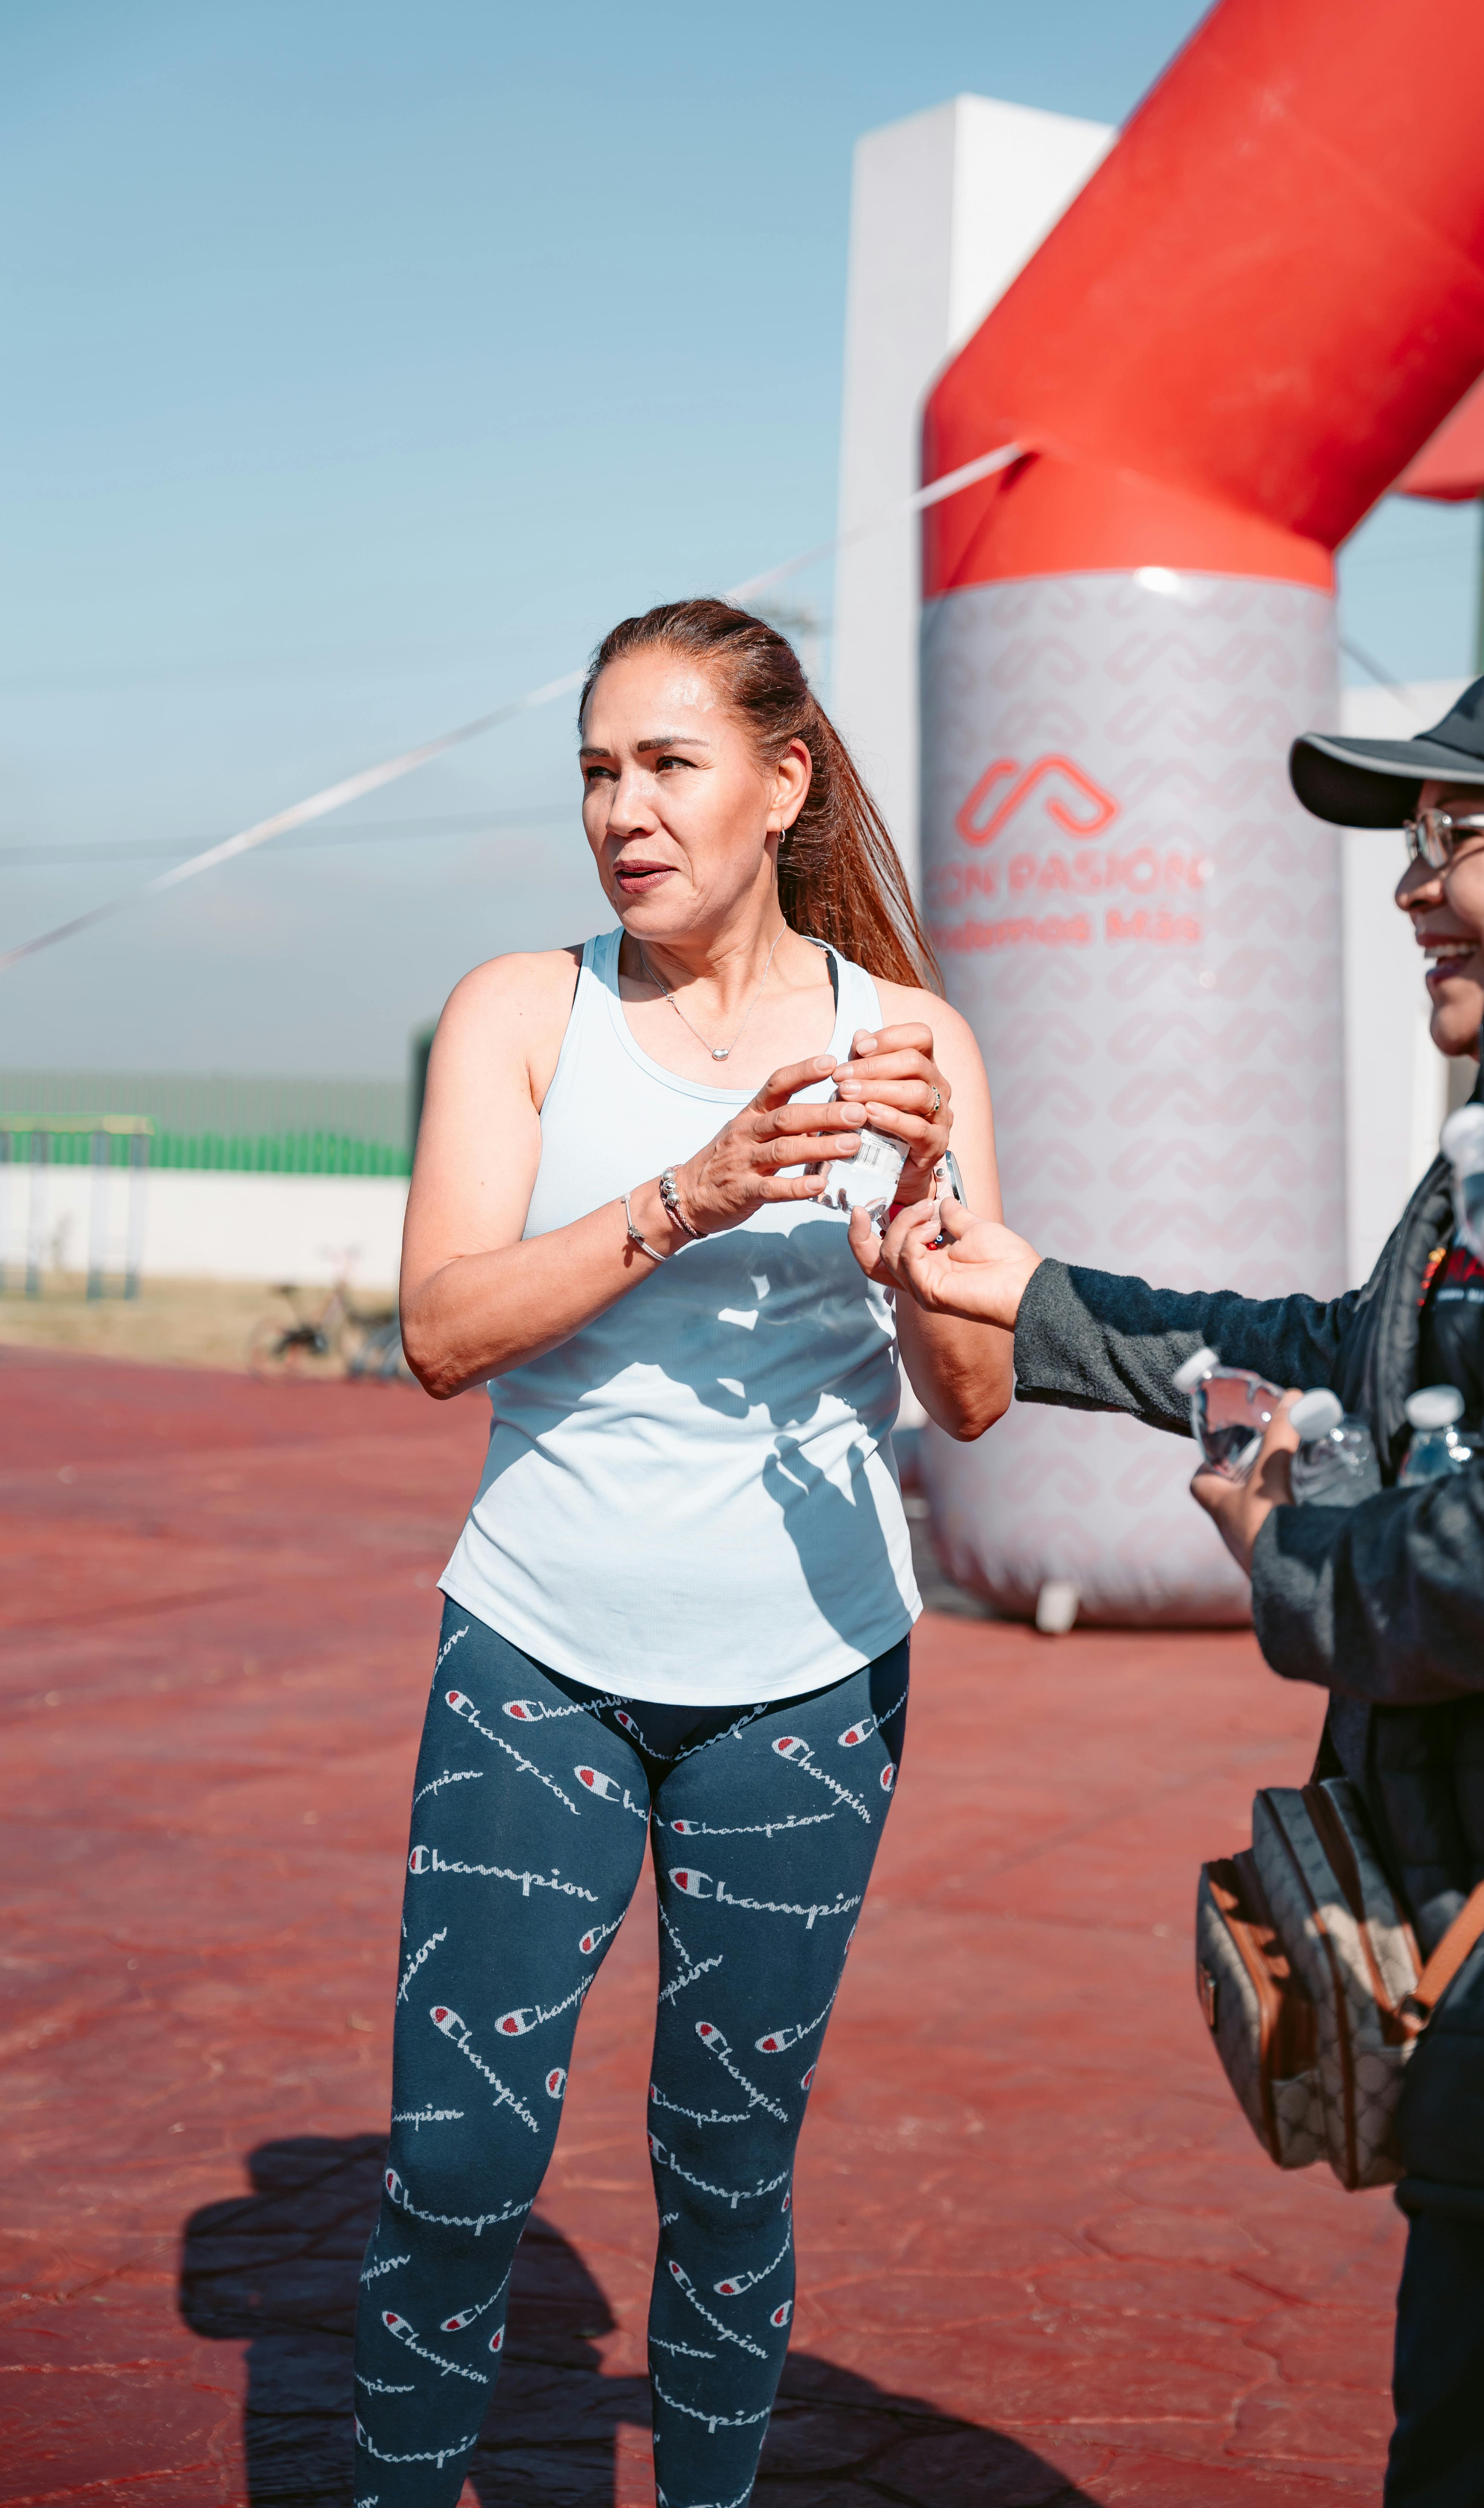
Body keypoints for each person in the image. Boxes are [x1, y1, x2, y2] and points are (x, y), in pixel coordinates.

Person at [860, 631, 1484, 2503]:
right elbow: (1347, 1355)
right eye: (1408, 841)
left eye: (1458, 836)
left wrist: (1295, 1560)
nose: (1412, 885)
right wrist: (1040, 1306)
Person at [351, 599, 1012, 2508]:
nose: (620, 812)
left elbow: (971, 1400)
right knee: (456, 2165)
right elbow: (440, 1332)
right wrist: (691, 1191)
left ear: (781, 783)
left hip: (806, 1686)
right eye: (595, 772)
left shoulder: (911, 1040)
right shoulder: (522, 1011)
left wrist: (918, 1214)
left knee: (728, 2169)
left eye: (667, 765)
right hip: (533, 1658)